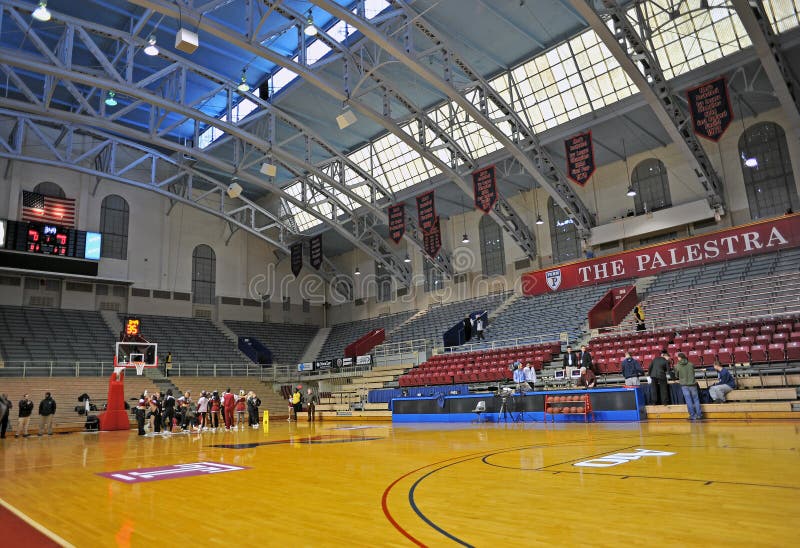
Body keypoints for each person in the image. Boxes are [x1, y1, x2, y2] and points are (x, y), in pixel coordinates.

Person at [675, 352, 702, 420]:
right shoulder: (691, 364)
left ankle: (692, 415)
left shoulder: (677, 366)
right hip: (693, 384)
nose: (677, 359)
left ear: (680, 358)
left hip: (684, 385)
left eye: (678, 357)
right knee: (696, 400)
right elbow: (693, 372)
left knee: (688, 400)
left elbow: (676, 375)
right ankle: (699, 415)